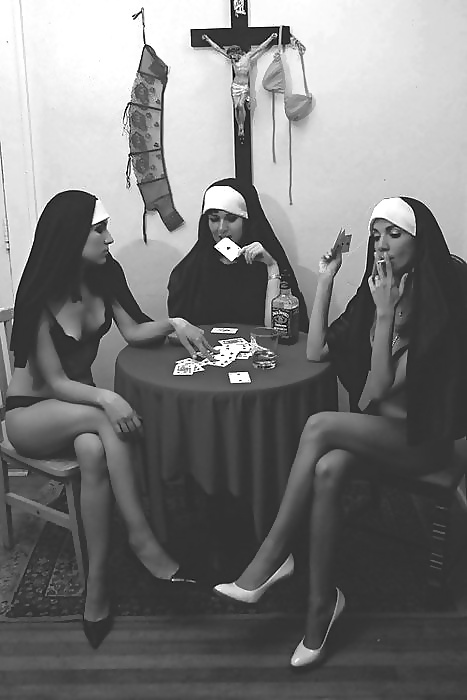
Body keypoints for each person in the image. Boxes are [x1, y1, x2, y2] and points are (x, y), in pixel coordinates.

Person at [213, 197, 467, 668]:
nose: (381, 245)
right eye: (376, 234)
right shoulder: (377, 292)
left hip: (422, 442)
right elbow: (316, 351)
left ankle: (273, 556)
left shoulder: (436, 306)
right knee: (328, 468)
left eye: (394, 234)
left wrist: (386, 314)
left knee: (319, 424)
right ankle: (321, 607)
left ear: (419, 242)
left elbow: (375, 391)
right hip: (379, 432)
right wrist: (327, 278)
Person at [5, 190, 216, 648]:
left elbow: (134, 330)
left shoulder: (105, 274)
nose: (109, 238)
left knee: (93, 449)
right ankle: (143, 541)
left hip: (78, 414)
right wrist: (107, 398)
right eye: (99, 229)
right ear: (71, 236)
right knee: (106, 423)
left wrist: (175, 323)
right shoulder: (39, 295)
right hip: (31, 415)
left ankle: (96, 589)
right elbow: (56, 382)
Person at [167, 178, 308, 331]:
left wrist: (271, 266)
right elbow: (179, 331)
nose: (221, 228)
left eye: (231, 218)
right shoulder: (188, 272)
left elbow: (278, 330)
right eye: (214, 219)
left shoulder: (267, 264)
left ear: (247, 221)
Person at [202, 33, 277, 141]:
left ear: (237, 53)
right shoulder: (233, 60)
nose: (232, 58)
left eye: (233, 56)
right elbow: (218, 49)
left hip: (244, 86)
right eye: (231, 57)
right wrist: (208, 39)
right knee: (236, 107)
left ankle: (242, 125)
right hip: (235, 86)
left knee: (241, 105)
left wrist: (271, 38)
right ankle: (240, 126)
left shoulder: (247, 57)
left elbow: (260, 48)